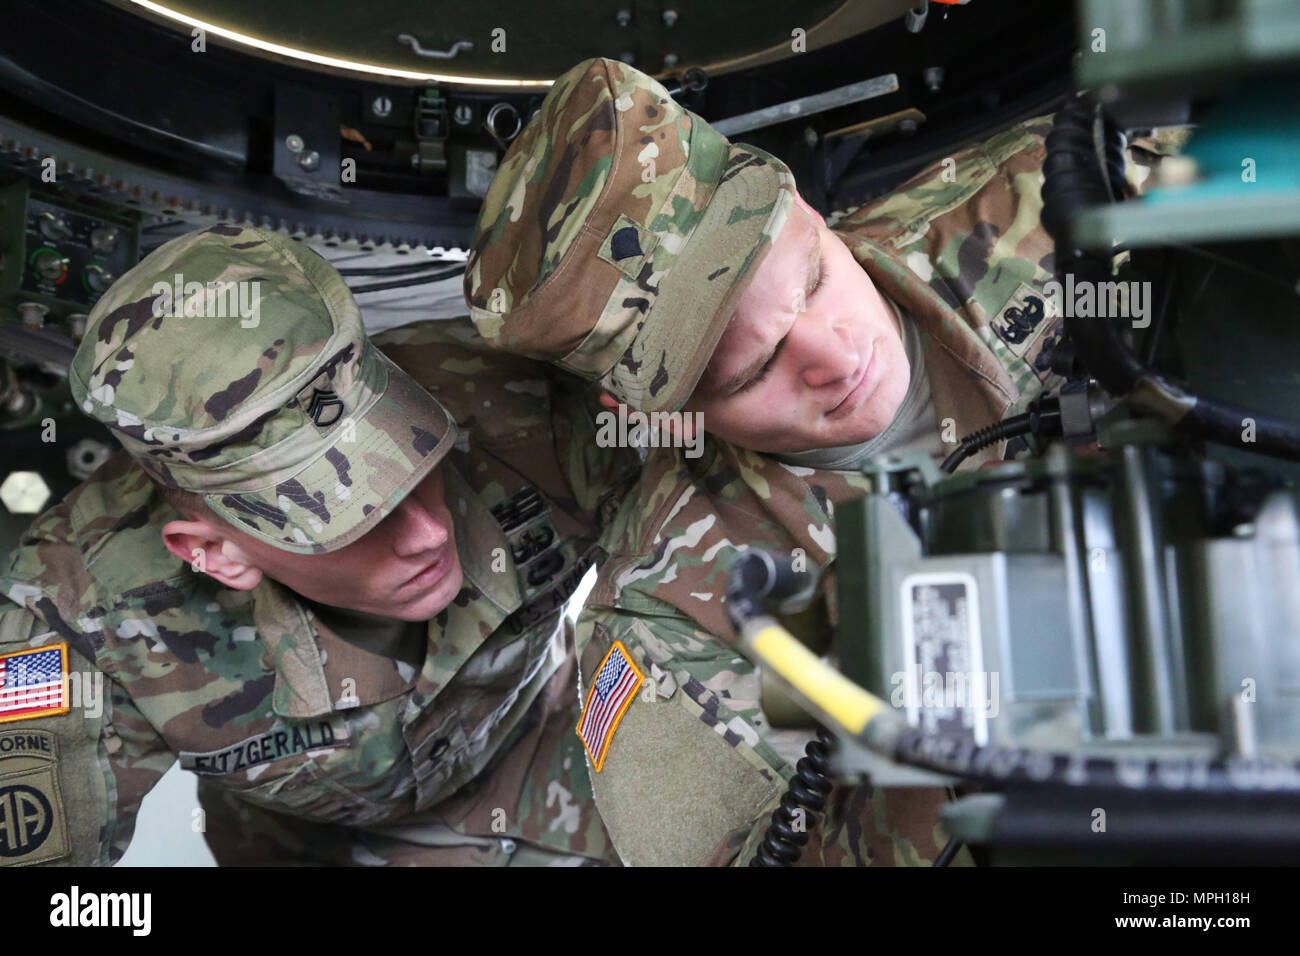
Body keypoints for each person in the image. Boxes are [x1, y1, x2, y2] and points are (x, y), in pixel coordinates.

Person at [462, 57, 1093, 865]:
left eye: (815, 280)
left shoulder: (1044, 196)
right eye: (754, 371)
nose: (835, 357)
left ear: (803, 202)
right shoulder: (674, 633)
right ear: (655, 419)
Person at [0, 223, 636, 867]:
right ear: (213, 552)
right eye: (354, 517)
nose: (430, 532)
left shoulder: (523, 403)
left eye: (418, 455)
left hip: (548, 771)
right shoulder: (81, 613)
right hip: (301, 848)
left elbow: (721, 522)